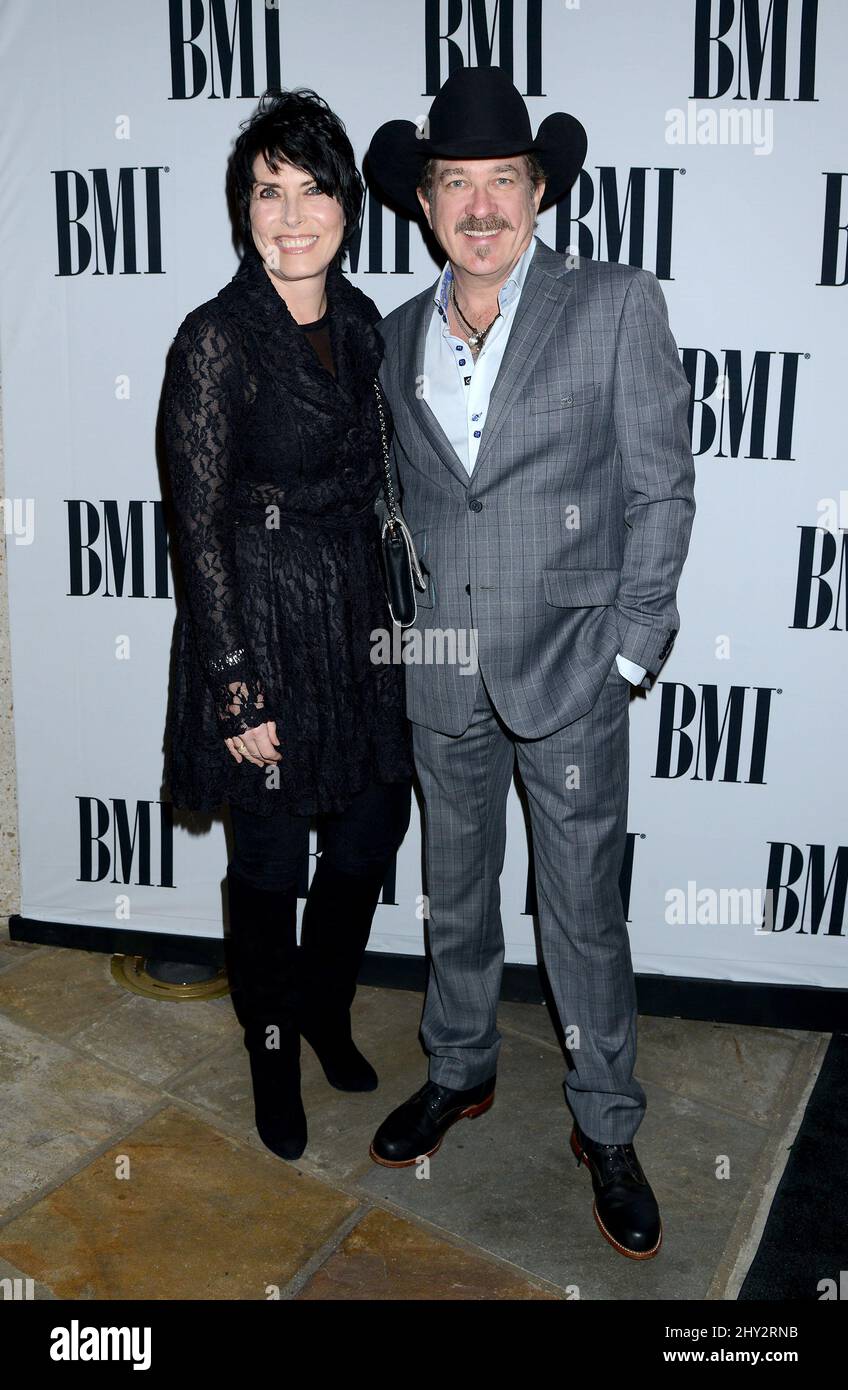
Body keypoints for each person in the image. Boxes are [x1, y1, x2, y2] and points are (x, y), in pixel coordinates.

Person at [365, 67, 696, 1259]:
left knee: (580, 918)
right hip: (441, 670)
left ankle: (605, 1123)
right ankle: (458, 1068)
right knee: (453, 895)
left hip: (570, 677)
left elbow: (660, 483)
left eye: (501, 178)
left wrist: (629, 653)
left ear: (537, 189)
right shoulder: (396, 335)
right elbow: (405, 505)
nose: (480, 204)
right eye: (456, 181)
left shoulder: (610, 303)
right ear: (425, 202)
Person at [161, 88, 414, 1163]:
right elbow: (195, 525)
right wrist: (235, 686)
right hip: (258, 620)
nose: (293, 213)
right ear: (242, 209)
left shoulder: (361, 323)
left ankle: (321, 1003)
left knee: (366, 831)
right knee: (269, 861)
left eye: (314, 188)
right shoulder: (216, 341)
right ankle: (270, 1045)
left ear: (347, 205)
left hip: (354, 616)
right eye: (270, 190)